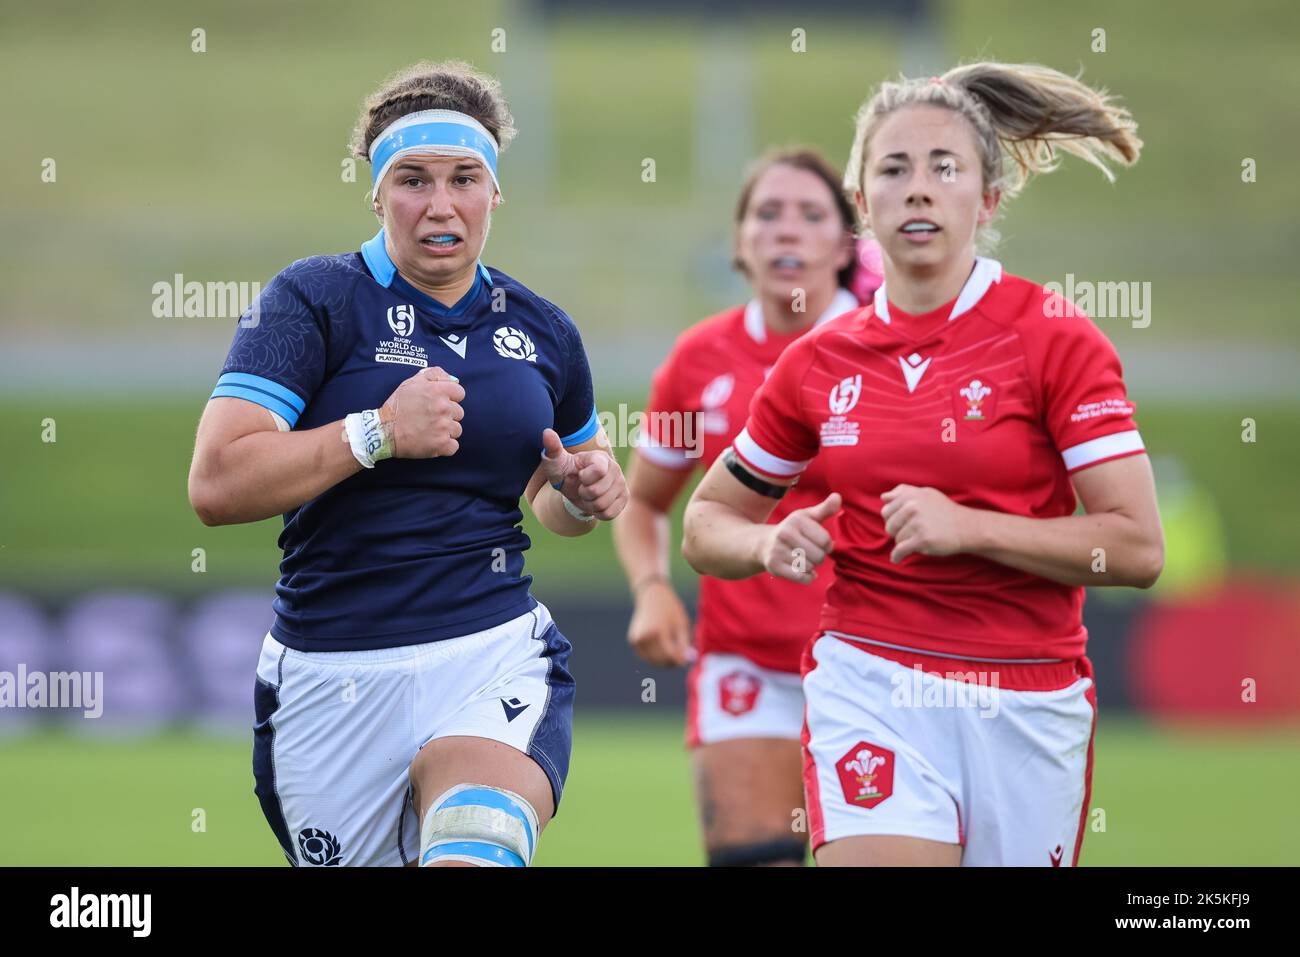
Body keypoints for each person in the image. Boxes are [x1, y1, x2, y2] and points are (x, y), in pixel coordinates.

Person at [681, 63, 1164, 866]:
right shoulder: (818, 362)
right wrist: (766, 542)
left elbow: (1138, 547)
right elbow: (706, 521)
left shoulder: (1054, 335)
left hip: (1027, 699)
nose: (918, 190)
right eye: (894, 170)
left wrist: (971, 528)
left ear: (988, 198)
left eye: (945, 168)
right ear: (861, 204)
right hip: (870, 681)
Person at [187, 60, 628, 867]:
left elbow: (557, 495)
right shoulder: (312, 298)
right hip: (332, 675)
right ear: (377, 193)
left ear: (495, 191)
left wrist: (584, 491)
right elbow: (216, 483)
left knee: (481, 839)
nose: (440, 204)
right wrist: (377, 432)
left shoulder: (544, 329)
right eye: (413, 180)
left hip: (489, 651)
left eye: (464, 178)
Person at [614, 149, 869, 866]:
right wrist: (652, 587)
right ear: (739, 242)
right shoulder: (698, 359)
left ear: (845, 246)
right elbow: (644, 501)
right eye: (767, 214)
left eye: (811, 214)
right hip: (746, 664)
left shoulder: (890, 348)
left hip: (876, 660)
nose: (786, 230)